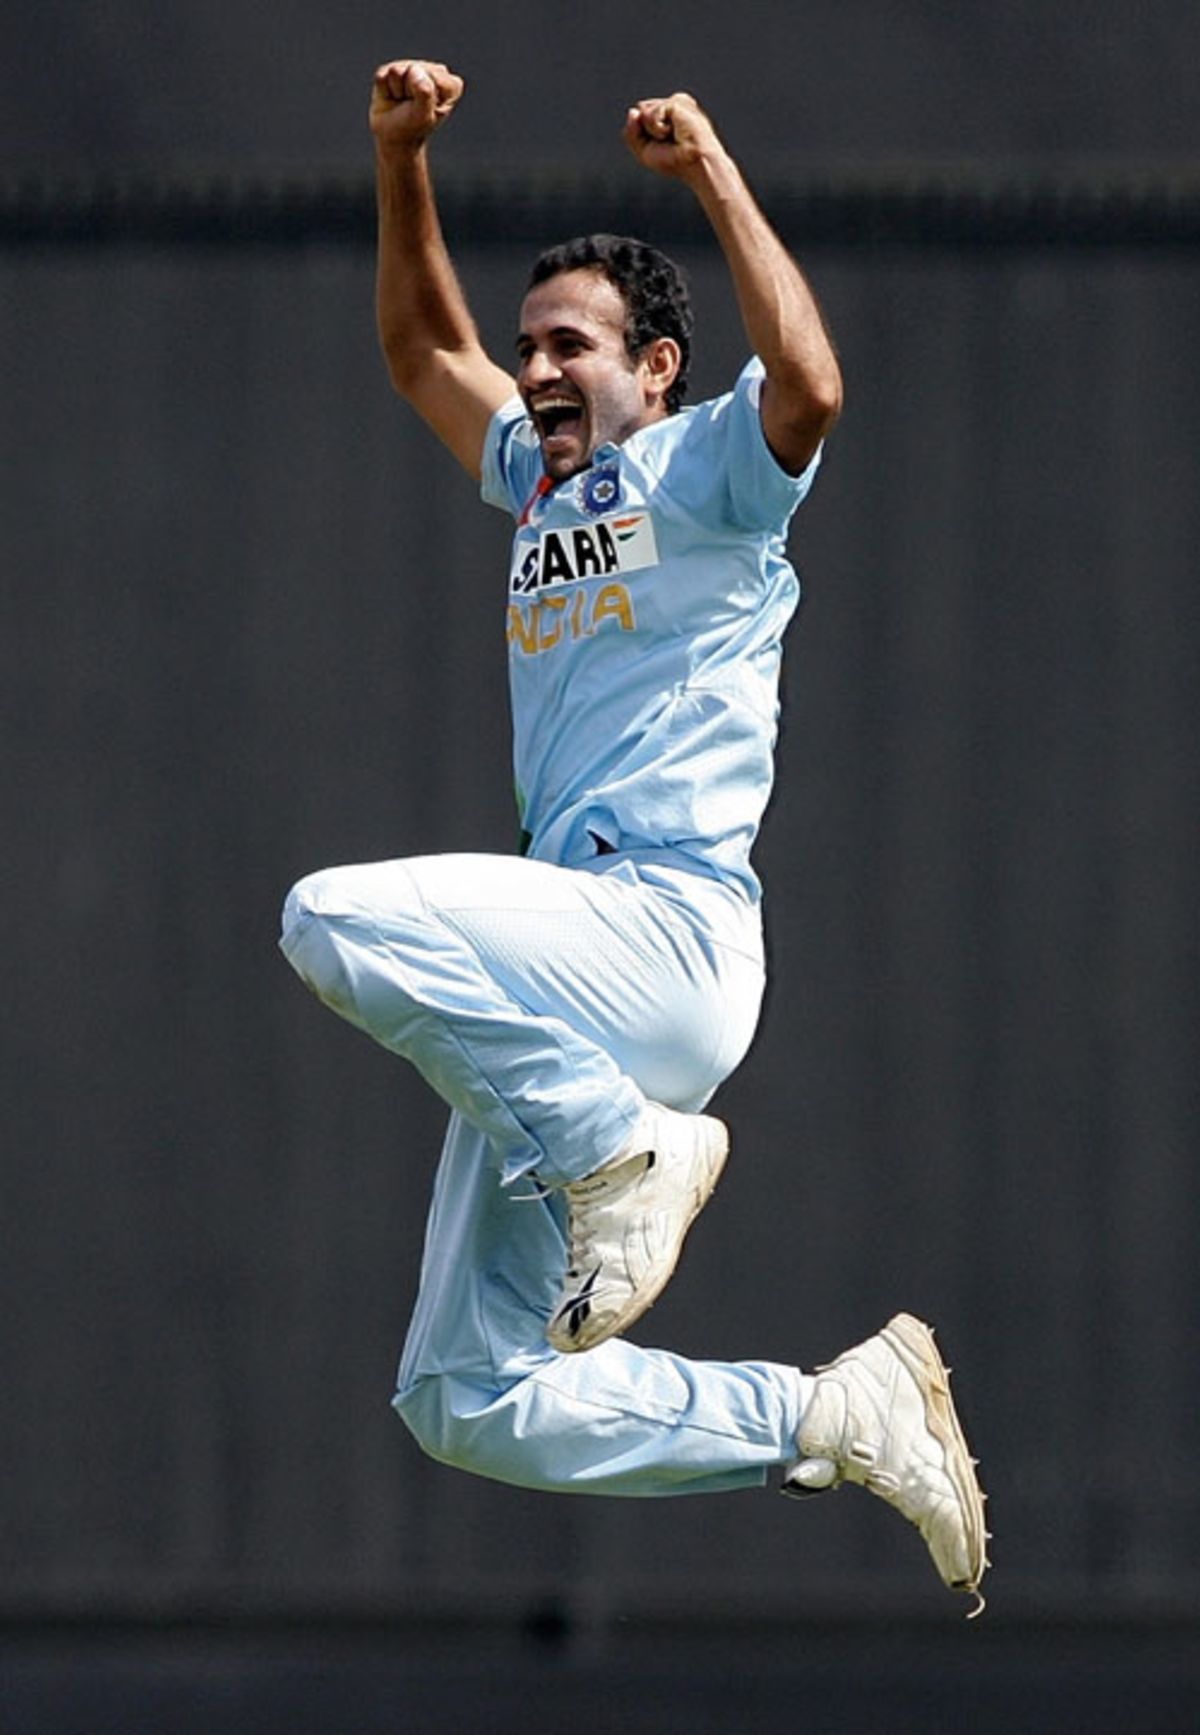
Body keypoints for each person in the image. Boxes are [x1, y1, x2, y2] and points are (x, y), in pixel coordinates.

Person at [280, 59, 989, 1613]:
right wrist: (399, 159)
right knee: (465, 1395)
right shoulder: (543, 482)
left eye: (573, 347)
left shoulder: (710, 470)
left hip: (663, 932)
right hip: (578, 981)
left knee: (334, 917)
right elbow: (421, 346)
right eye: (533, 346)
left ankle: (609, 1149)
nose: (537, 369)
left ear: (657, 366)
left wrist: (717, 171)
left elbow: (810, 390)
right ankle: (825, 1413)